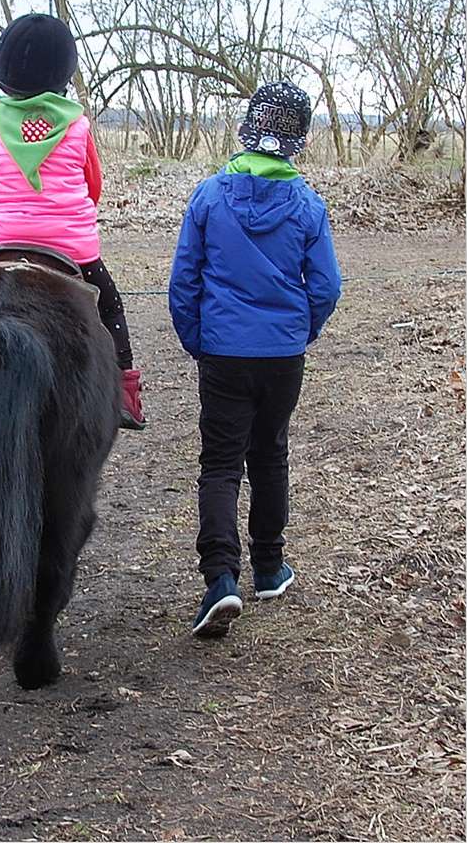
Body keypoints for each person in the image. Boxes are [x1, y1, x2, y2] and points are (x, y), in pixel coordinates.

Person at [168, 80, 342, 638]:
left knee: (220, 464)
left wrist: (199, 339)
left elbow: (183, 282)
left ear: (248, 126)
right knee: (269, 455)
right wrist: (299, 332)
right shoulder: (307, 205)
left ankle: (221, 579)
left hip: (223, 350)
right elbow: (327, 287)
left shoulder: (210, 196)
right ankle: (268, 567)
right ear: (297, 140)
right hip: (282, 352)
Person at [0, 13, 145, 429]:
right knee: (110, 302)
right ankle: (125, 388)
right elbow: (94, 186)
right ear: (63, 74)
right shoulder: (77, 127)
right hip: (71, 249)